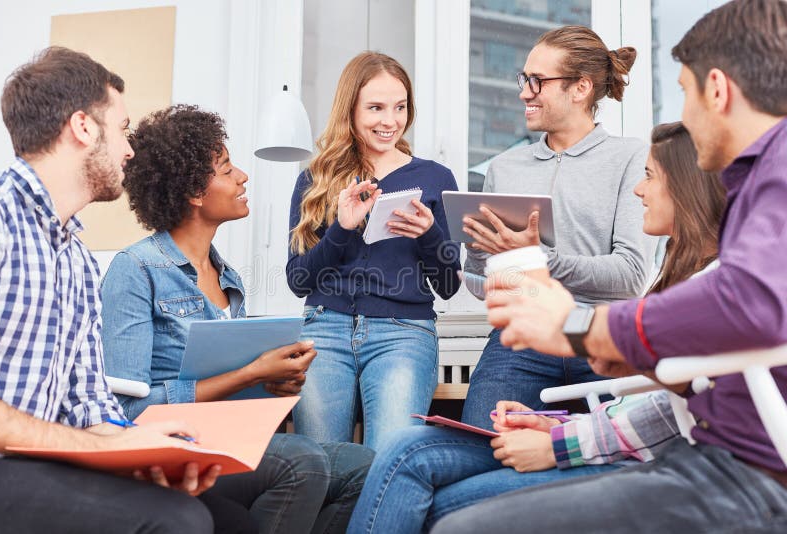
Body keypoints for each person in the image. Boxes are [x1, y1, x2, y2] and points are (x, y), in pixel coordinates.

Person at [433, 1, 787, 532]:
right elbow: (703, 373)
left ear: (717, 90)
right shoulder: (754, 184)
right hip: (711, 451)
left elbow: (749, 303)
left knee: (461, 523)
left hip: (743, 471)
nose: (684, 120)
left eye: (685, 95)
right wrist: (621, 364)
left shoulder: (775, 174)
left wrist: (581, 328)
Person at [346, 121, 726, 533]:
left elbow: (665, 418)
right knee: (403, 448)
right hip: (603, 436)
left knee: (443, 506)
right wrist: (553, 424)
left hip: (629, 461)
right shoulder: (678, 282)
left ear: (687, 188)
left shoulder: (712, 290)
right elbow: (649, 405)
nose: (638, 190)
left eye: (649, 177)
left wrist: (557, 444)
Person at [100, 105, 375, 534]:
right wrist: (248, 374)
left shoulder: (229, 278)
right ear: (194, 192)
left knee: (367, 467)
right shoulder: (135, 271)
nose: (243, 177)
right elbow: (128, 410)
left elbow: (233, 386)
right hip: (174, 450)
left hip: (229, 440)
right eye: (227, 169)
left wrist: (272, 382)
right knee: (302, 463)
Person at [0, 47, 216, 533]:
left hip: (40, 466)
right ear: (83, 128)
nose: (129, 149)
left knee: (224, 514)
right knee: (179, 522)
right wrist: (104, 448)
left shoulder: (78, 261)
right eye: (122, 128)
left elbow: (88, 404)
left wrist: (144, 442)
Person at [461, 25, 656, 430]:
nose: (524, 92)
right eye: (524, 79)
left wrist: (539, 260)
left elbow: (631, 276)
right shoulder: (504, 167)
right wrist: (482, 250)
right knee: (480, 440)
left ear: (580, 88)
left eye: (537, 81)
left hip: (599, 336)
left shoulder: (630, 157)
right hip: (523, 339)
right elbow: (480, 279)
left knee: (606, 467)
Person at [286, 51, 461, 450]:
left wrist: (429, 234)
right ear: (350, 110)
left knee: (388, 461)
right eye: (376, 108)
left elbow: (449, 285)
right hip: (324, 330)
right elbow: (298, 280)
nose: (390, 121)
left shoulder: (435, 178)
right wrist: (342, 228)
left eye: (400, 107)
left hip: (403, 334)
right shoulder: (316, 179)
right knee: (321, 464)